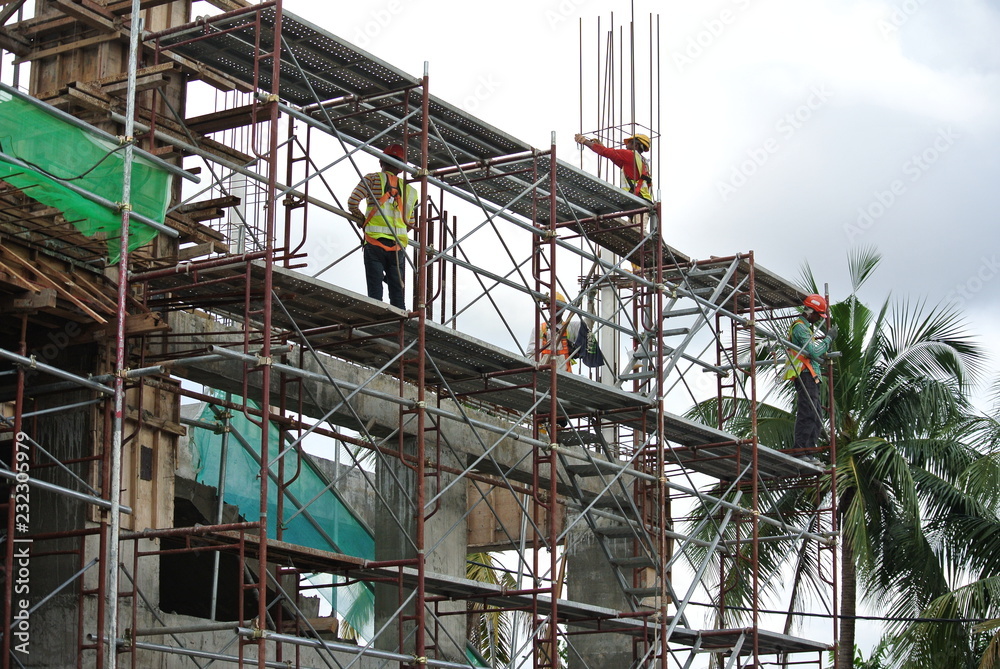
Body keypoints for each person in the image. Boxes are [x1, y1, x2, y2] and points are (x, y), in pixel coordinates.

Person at [347, 144, 418, 310]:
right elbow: (411, 223)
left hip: (374, 242)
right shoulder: (410, 191)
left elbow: (352, 202)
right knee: (397, 292)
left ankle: (376, 318)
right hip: (398, 246)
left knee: (375, 291)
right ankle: (399, 324)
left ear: (381, 162)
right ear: (401, 169)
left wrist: (362, 220)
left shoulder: (372, 179)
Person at [783, 294, 838, 450]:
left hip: (810, 375)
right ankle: (800, 449)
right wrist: (828, 340)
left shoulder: (805, 328)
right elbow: (814, 352)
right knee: (808, 412)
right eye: (817, 315)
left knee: (816, 415)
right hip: (804, 373)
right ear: (810, 311)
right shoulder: (800, 327)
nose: (819, 319)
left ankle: (809, 450)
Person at [573, 132, 653, 202]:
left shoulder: (629, 154)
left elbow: (605, 152)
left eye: (629, 143)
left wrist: (584, 141)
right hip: (643, 199)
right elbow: (614, 157)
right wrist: (602, 147)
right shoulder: (642, 161)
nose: (626, 146)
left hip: (637, 198)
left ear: (635, 145)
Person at [527, 293, 581, 373]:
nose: (555, 309)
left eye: (558, 306)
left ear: (564, 308)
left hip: (564, 373)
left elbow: (588, 325)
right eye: (552, 306)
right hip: (544, 371)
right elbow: (531, 354)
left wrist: (590, 301)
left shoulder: (570, 327)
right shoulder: (539, 329)